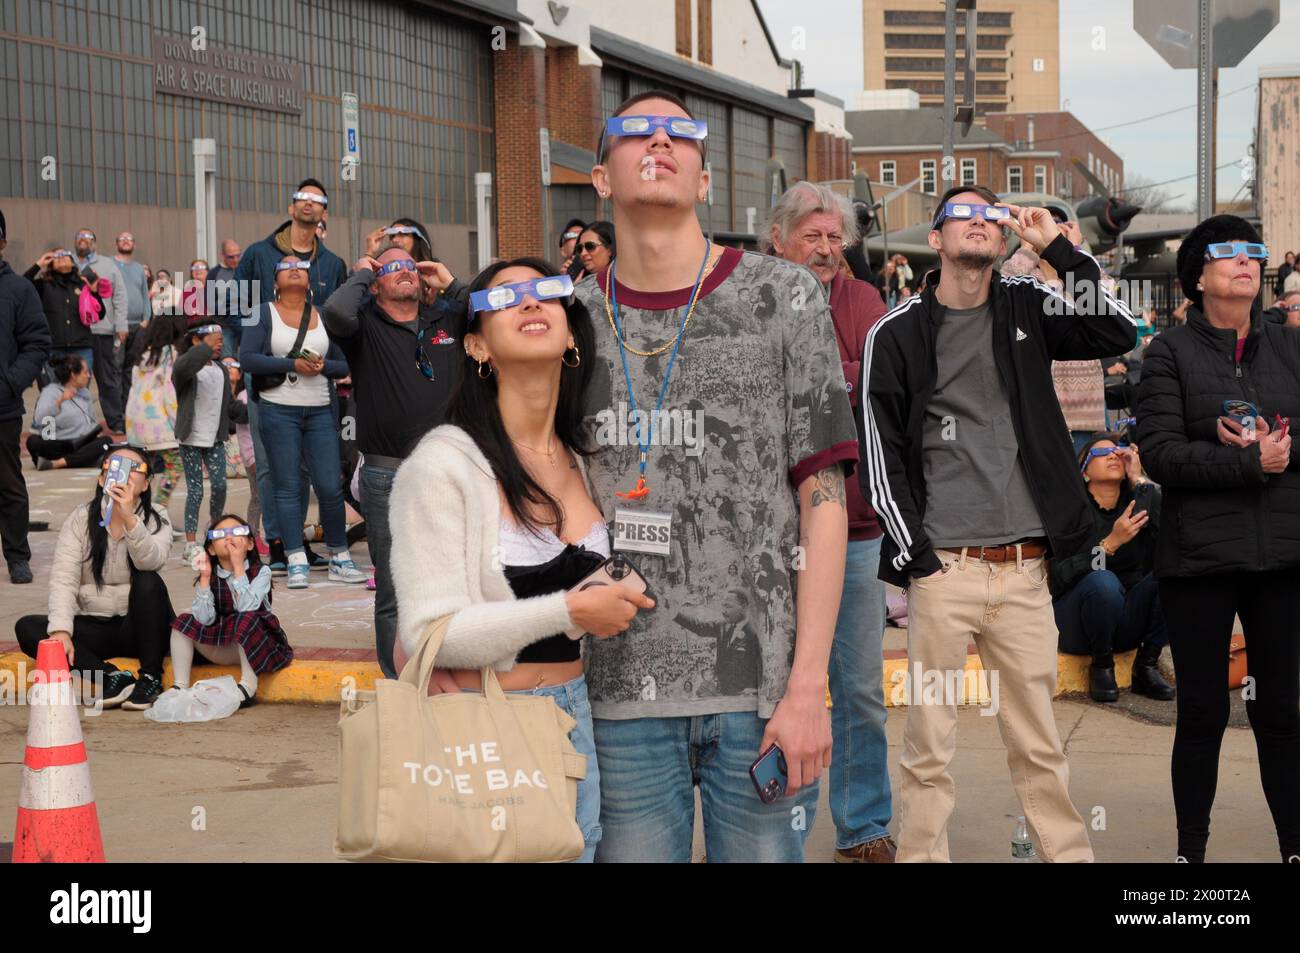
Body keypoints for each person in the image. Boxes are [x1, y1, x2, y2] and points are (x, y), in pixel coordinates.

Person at [577, 91, 857, 863]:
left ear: (705, 181)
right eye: (635, 131)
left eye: (681, 134)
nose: (659, 141)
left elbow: (823, 499)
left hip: (758, 692)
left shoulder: (781, 296)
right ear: (602, 177)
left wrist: (808, 688)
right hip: (617, 696)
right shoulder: (567, 324)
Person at [863, 185, 1137, 862]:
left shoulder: (1027, 303)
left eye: (991, 213)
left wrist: (1057, 247)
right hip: (945, 572)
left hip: (1024, 571)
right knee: (930, 744)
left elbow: (1115, 331)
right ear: (936, 239)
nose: (979, 221)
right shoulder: (894, 332)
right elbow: (882, 455)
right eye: (962, 212)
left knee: (1039, 742)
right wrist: (920, 557)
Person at [390, 256, 654, 863]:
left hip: (576, 723)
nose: (530, 302)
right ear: (477, 345)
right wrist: (571, 611)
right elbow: (430, 632)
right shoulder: (444, 464)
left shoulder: (589, 458)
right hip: (482, 730)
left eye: (546, 292)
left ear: (570, 335)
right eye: (506, 298)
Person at [1136, 215, 1300, 864]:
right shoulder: (1167, 353)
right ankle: (1191, 859)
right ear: (1198, 275)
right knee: (1202, 713)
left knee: (1281, 711)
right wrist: (1241, 461)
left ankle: (1292, 848)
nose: (1246, 262)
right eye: (1227, 253)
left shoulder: (1291, 347)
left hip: (1281, 558)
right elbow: (1158, 454)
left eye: (1254, 253)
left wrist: (1279, 450)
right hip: (1199, 562)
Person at [765, 180, 895, 862]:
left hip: (855, 529)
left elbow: (878, 380)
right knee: (770, 690)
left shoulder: (864, 300)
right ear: (777, 240)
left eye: (833, 236)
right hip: (768, 535)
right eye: (812, 235)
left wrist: (820, 376)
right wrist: (839, 375)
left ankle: (865, 827)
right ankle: (780, 828)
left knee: (860, 690)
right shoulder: (753, 297)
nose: (825, 248)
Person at [322, 244, 461, 677]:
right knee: (394, 586)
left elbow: (488, 311)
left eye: (411, 267)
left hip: (448, 470)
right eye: (393, 267)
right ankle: (399, 679)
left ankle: (449, 670)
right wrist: (362, 271)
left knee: (455, 575)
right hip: (388, 473)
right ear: (377, 283)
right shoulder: (363, 325)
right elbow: (334, 312)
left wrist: (450, 280)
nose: (406, 272)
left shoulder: (446, 320)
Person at [234, 179, 346, 571]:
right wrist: (247, 352)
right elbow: (237, 303)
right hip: (267, 376)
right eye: (304, 198)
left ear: (324, 213)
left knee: (308, 469)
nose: (310, 205)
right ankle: (279, 542)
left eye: (319, 200)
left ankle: (298, 543)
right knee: (270, 465)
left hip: (317, 382)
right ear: (292, 206)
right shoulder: (259, 255)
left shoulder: (331, 265)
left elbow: (341, 317)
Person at [14, 445, 174, 710]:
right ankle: (112, 677)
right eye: (116, 467)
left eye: (135, 468)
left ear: (145, 485)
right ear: (103, 479)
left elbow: (151, 561)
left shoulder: (157, 517)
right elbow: (64, 578)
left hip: (141, 627)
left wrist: (129, 520)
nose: (125, 474)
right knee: (29, 628)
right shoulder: (79, 519)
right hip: (96, 624)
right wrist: (61, 631)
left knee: (148, 581)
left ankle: (150, 677)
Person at [240, 256, 366, 588]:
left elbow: (344, 365)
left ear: (309, 281)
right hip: (277, 409)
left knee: (328, 484)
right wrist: (291, 364)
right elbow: (247, 359)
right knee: (287, 485)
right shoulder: (261, 312)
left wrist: (323, 366)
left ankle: (339, 554)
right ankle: (295, 557)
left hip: (321, 410)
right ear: (275, 281)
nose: (295, 268)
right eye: (286, 266)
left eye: (302, 267)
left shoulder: (324, 314)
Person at [1050, 434, 1174, 702]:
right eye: (1101, 453)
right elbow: (1059, 577)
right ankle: (1101, 667)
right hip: (1076, 622)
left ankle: (1146, 665)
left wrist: (1139, 480)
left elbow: (1175, 541)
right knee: (1102, 581)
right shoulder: (1071, 511)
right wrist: (1110, 544)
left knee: (1175, 572)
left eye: (1119, 452)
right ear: (1084, 471)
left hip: (1126, 622)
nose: (1113, 456)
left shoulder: (1137, 503)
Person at [167, 513, 291, 709]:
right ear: (211, 549)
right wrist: (205, 579)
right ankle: (179, 686)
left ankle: (248, 687)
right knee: (183, 621)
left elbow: (247, 608)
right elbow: (204, 620)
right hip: (226, 645)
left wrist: (239, 567)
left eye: (237, 532)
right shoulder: (212, 574)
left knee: (246, 618)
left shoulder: (262, 572)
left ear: (250, 544)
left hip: (259, 644)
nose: (229, 537)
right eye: (221, 534)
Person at [0, 208, 52, 584]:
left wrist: (10, 382)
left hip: (2, 406)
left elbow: (37, 344)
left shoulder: (19, 289)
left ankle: (18, 555)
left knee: (8, 485)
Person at [172, 322, 231, 564]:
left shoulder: (221, 370)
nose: (219, 344)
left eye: (220, 339)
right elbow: (182, 367)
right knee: (195, 491)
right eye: (213, 339)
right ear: (196, 341)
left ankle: (213, 533)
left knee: (220, 486)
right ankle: (189, 544)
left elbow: (226, 404)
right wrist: (204, 349)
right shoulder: (187, 368)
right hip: (191, 438)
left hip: (215, 437)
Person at [72, 228, 128, 434]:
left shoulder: (107, 265)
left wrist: (121, 325)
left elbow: (119, 296)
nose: (83, 240)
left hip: (102, 329)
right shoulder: (68, 265)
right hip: (76, 332)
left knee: (107, 378)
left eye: (88, 237)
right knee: (77, 378)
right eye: (80, 237)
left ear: (94, 242)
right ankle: (80, 422)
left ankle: (116, 421)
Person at [125, 315, 183, 508]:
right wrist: (178, 423)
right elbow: (168, 391)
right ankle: (159, 506)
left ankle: (136, 508)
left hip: (135, 423)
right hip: (160, 423)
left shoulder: (142, 354)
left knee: (141, 469)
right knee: (174, 465)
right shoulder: (170, 355)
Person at [28, 354, 110, 471]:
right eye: (85, 372)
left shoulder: (85, 392)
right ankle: (81, 460)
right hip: (60, 443)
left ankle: (57, 463)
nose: (89, 376)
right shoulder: (50, 391)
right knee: (33, 442)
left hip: (82, 443)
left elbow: (91, 421)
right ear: (73, 375)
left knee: (106, 441)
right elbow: (39, 419)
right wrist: (59, 401)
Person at [25, 248, 94, 372]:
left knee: (80, 390)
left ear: (73, 262)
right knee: (52, 389)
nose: (61, 257)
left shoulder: (83, 284)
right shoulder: (43, 284)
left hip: (81, 347)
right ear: (51, 264)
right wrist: (39, 264)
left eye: (65, 254)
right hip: (52, 348)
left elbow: (100, 313)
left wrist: (95, 293)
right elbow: (21, 285)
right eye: (56, 256)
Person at [207, 239, 243, 357]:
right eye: (231, 257)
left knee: (246, 363)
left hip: (245, 325)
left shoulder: (245, 270)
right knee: (228, 360)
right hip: (225, 326)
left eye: (238, 255)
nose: (236, 260)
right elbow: (210, 303)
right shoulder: (214, 274)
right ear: (223, 255)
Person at [112, 231, 151, 336]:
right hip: (115, 325)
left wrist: (146, 320)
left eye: (129, 239)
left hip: (138, 326)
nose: (125, 240)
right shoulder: (108, 264)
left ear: (134, 245)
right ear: (116, 245)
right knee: (116, 353)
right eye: (122, 239)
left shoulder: (139, 268)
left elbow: (145, 296)